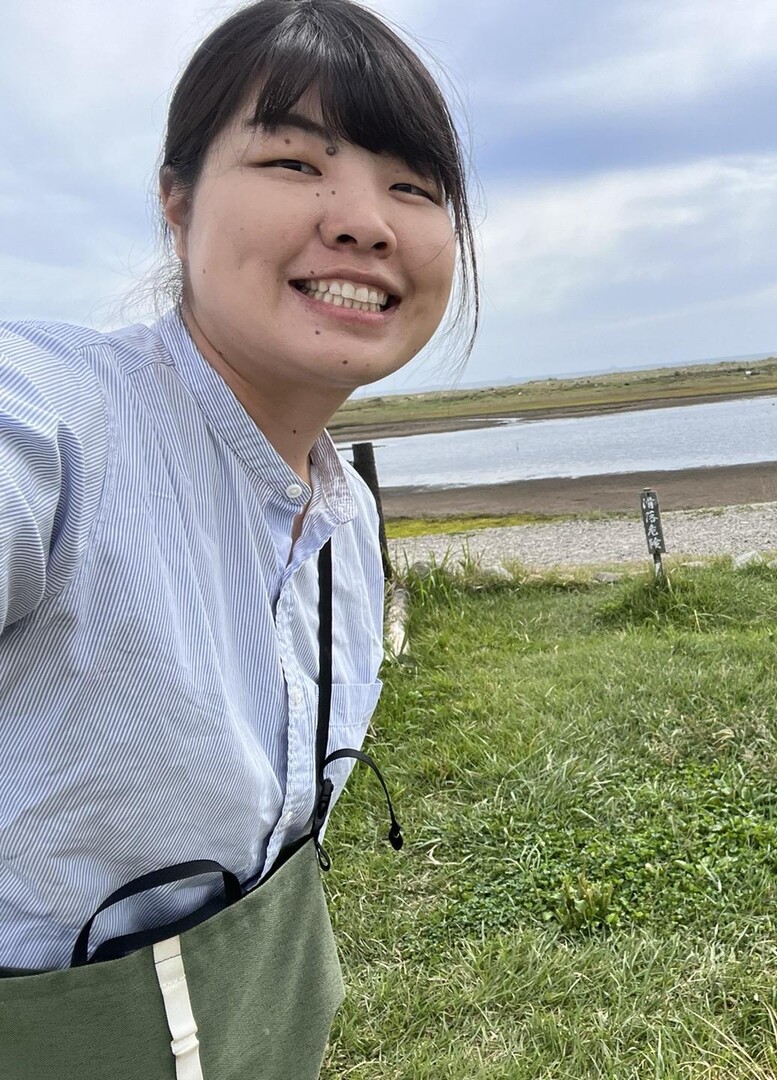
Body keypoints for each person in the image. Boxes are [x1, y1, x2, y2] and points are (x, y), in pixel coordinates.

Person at [0, 1, 478, 1075]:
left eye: (414, 187)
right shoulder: (54, 426)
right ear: (176, 199)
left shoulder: (343, 526)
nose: (365, 221)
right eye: (293, 161)